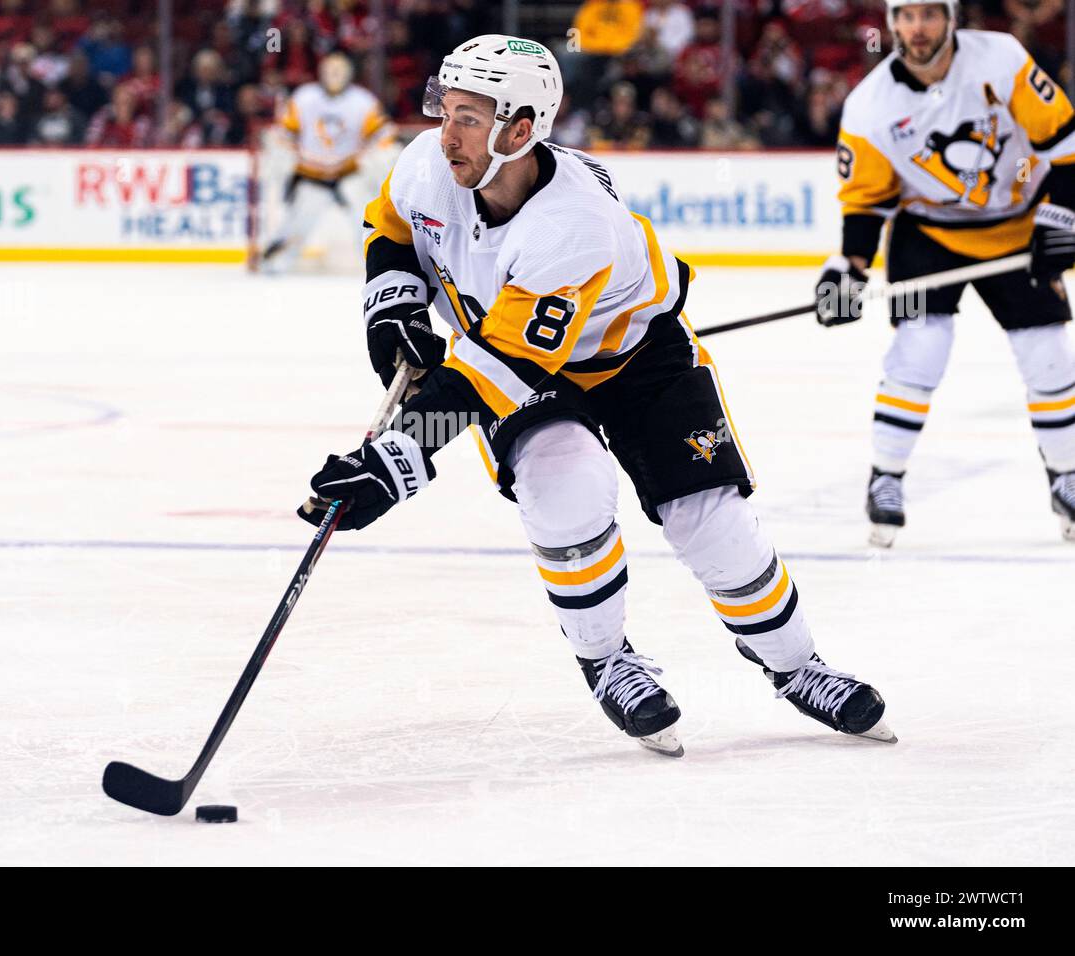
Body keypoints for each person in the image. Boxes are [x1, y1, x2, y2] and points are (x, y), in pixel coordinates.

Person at [300, 35, 895, 754]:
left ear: (520, 130)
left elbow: (495, 372)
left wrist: (396, 461)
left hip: (635, 356)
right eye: (445, 108)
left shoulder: (572, 224)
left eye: (469, 117)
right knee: (568, 487)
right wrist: (392, 307)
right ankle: (609, 661)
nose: (445, 132)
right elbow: (391, 227)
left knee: (711, 524)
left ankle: (799, 668)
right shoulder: (428, 165)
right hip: (520, 353)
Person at [815, 0, 1075, 545]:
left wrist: (1062, 215)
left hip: (1017, 230)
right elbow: (866, 200)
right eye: (906, 17)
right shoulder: (869, 105)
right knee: (918, 349)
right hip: (926, 238)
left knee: (1047, 350)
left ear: (951, 18)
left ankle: (1067, 476)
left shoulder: (1000, 59)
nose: (917, 28)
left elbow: (1065, 144)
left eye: (929, 14)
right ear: (892, 24)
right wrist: (848, 267)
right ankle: (885, 477)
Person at [257, 52, 397, 274]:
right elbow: (283, 133)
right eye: (330, 70)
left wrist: (366, 157)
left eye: (339, 70)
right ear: (321, 71)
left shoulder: (363, 101)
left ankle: (380, 267)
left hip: (350, 173)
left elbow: (385, 133)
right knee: (298, 223)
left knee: (367, 221)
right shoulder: (304, 97)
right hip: (312, 174)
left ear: (349, 73)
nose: (334, 75)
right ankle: (275, 264)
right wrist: (292, 155)